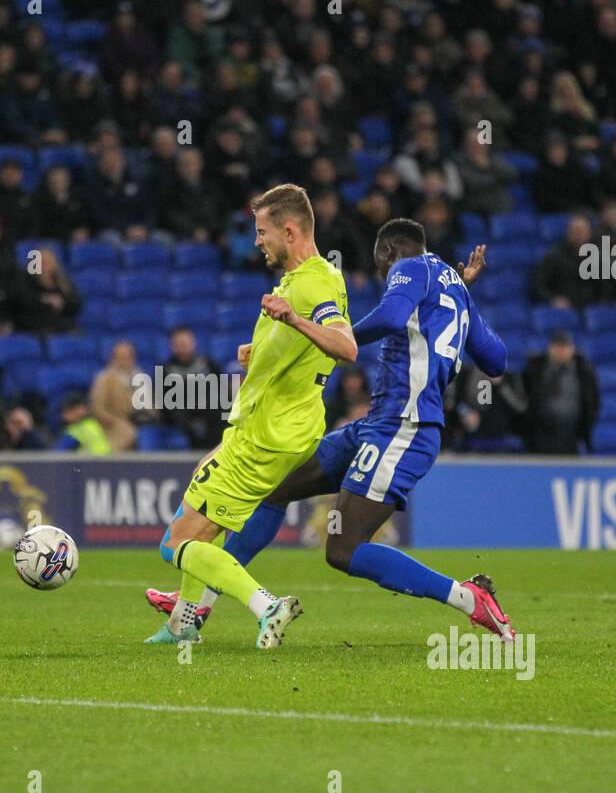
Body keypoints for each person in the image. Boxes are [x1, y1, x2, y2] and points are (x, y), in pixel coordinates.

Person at [147, 219, 514, 647]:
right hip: (377, 426)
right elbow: (498, 360)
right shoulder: (453, 289)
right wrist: (461, 298)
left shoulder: (409, 266)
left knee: (343, 549)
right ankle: (199, 601)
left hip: (404, 431)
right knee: (276, 488)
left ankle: (469, 598)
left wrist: (331, 337)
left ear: (386, 256)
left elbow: (391, 316)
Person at [145, 184, 359, 649]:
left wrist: (293, 321)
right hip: (283, 430)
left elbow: (345, 346)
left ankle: (267, 606)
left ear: (289, 230)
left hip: (265, 435)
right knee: (203, 513)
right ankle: (182, 624)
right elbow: (305, 349)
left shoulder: (311, 284)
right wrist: (260, 351)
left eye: (262, 232)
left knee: (175, 543)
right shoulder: (319, 276)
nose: (256, 241)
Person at [522, 330, 600, 454]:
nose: (561, 351)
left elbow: (593, 401)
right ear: (550, 348)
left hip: (571, 437)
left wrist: (584, 429)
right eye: (558, 347)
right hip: (538, 437)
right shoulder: (535, 369)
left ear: (572, 349)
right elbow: (524, 397)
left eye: (565, 347)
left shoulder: (583, 371)